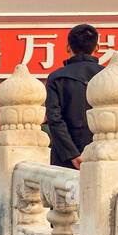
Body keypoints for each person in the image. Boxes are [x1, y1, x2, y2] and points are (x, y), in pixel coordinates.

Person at [45, 23, 103, 169]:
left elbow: (55, 120)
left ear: (68, 47)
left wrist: (72, 154)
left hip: (64, 160)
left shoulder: (56, 78)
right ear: (97, 48)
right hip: (102, 155)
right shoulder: (110, 77)